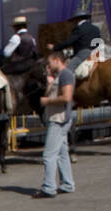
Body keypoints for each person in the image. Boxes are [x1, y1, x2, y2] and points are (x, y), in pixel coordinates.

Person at [34, 49, 76, 199]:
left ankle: (49, 187)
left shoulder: (66, 75)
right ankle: (67, 183)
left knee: (49, 155)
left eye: (49, 63)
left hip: (59, 118)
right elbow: (49, 93)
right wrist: (50, 82)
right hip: (56, 117)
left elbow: (66, 97)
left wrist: (47, 101)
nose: (48, 66)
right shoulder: (58, 76)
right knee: (62, 153)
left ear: (57, 60)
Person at [59, 5, 103, 73]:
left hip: (82, 55)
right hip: (95, 55)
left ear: (77, 19)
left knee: (67, 71)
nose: (73, 22)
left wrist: (55, 47)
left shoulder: (78, 29)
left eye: (73, 20)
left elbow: (69, 42)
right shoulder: (96, 28)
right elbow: (98, 43)